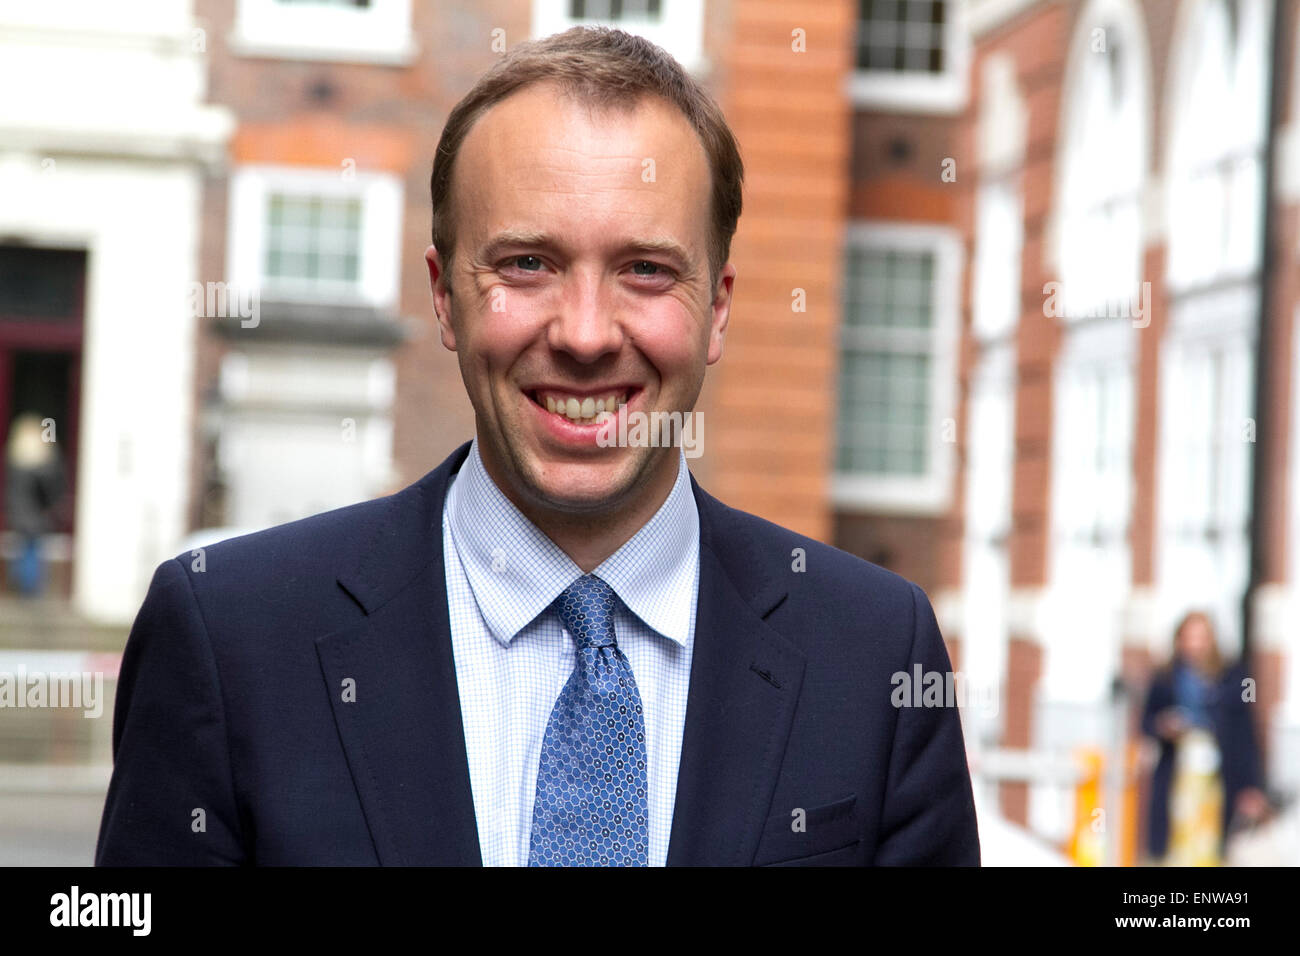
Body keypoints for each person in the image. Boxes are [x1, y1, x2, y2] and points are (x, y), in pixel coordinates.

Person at [95, 27, 979, 866]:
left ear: (717, 308)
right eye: (527, 264)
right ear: (444, 297)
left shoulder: (873, 657)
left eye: (646, 270)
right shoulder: (231, 640)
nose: (587, 335)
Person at [1140, 610, 1269, 865]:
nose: (1195, 645)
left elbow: (1246, 732)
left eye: (1200, 638)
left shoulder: (1237, 678)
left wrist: (1252, 785)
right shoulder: (1165, 678)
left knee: (1213, 848)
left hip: (1218, 780)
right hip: (1178, 777)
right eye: (1189, 638)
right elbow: (1146, 722)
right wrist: (1163, 727)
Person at [4, 411, 65, 597]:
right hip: (36, 515)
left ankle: (23, 585)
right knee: (33, 551)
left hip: (20, 513)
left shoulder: (15, 460)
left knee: (24, 549)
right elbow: (51, 488)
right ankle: (30, 588)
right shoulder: (42, 465)